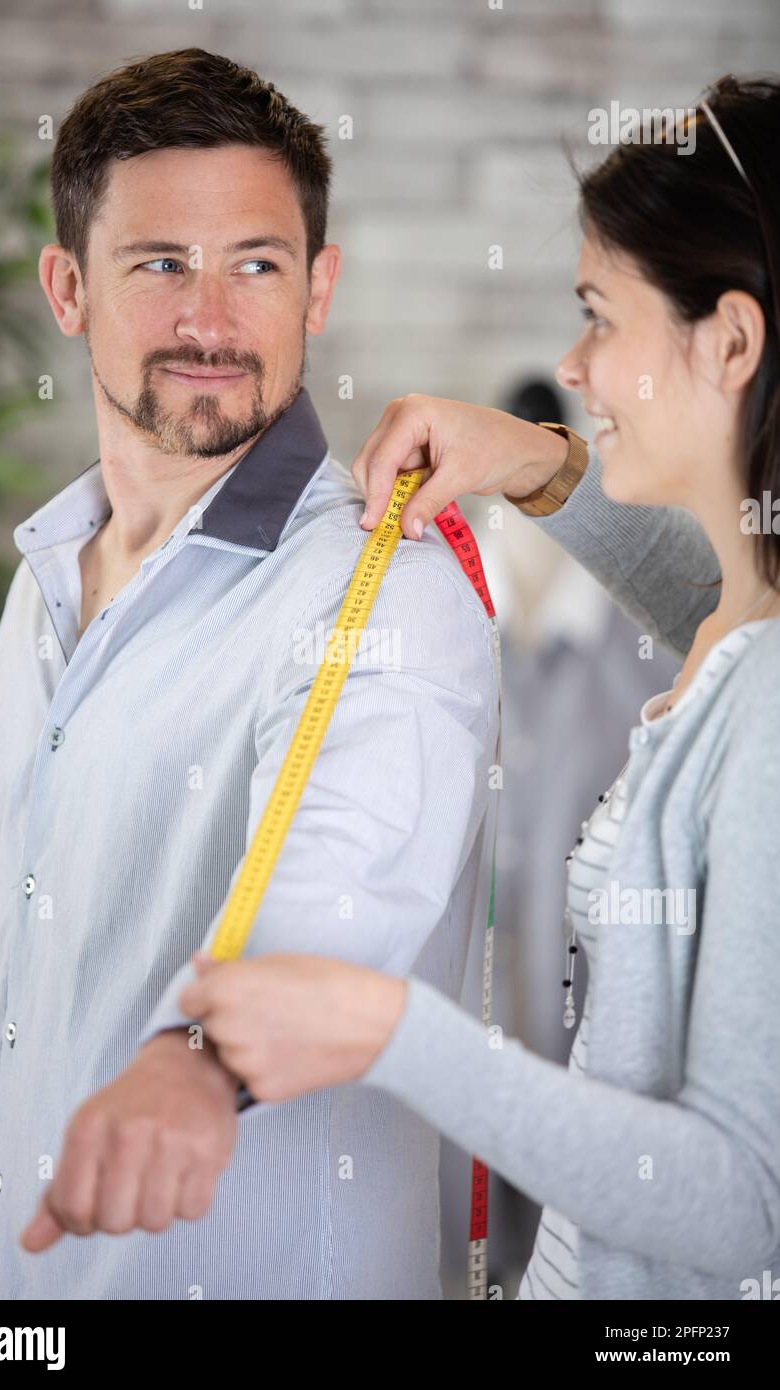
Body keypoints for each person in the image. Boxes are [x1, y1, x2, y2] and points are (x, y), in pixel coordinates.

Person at [178, 75, 780, 1300]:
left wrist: (389, 1032)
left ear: (726, 341)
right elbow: (706, 621)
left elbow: (735, 1198)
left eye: (599, 318)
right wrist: (533, 462)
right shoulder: (743, 618)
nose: (570, 365)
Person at [0, 48, 499, 1299]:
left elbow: (336, 903)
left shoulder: (379, 588)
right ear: (67, 287)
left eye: (256, 265)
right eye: (161, 265)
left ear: (317, 286)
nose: (211, 322)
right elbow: (8, 1002)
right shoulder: (42, 588)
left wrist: (199, 1056)